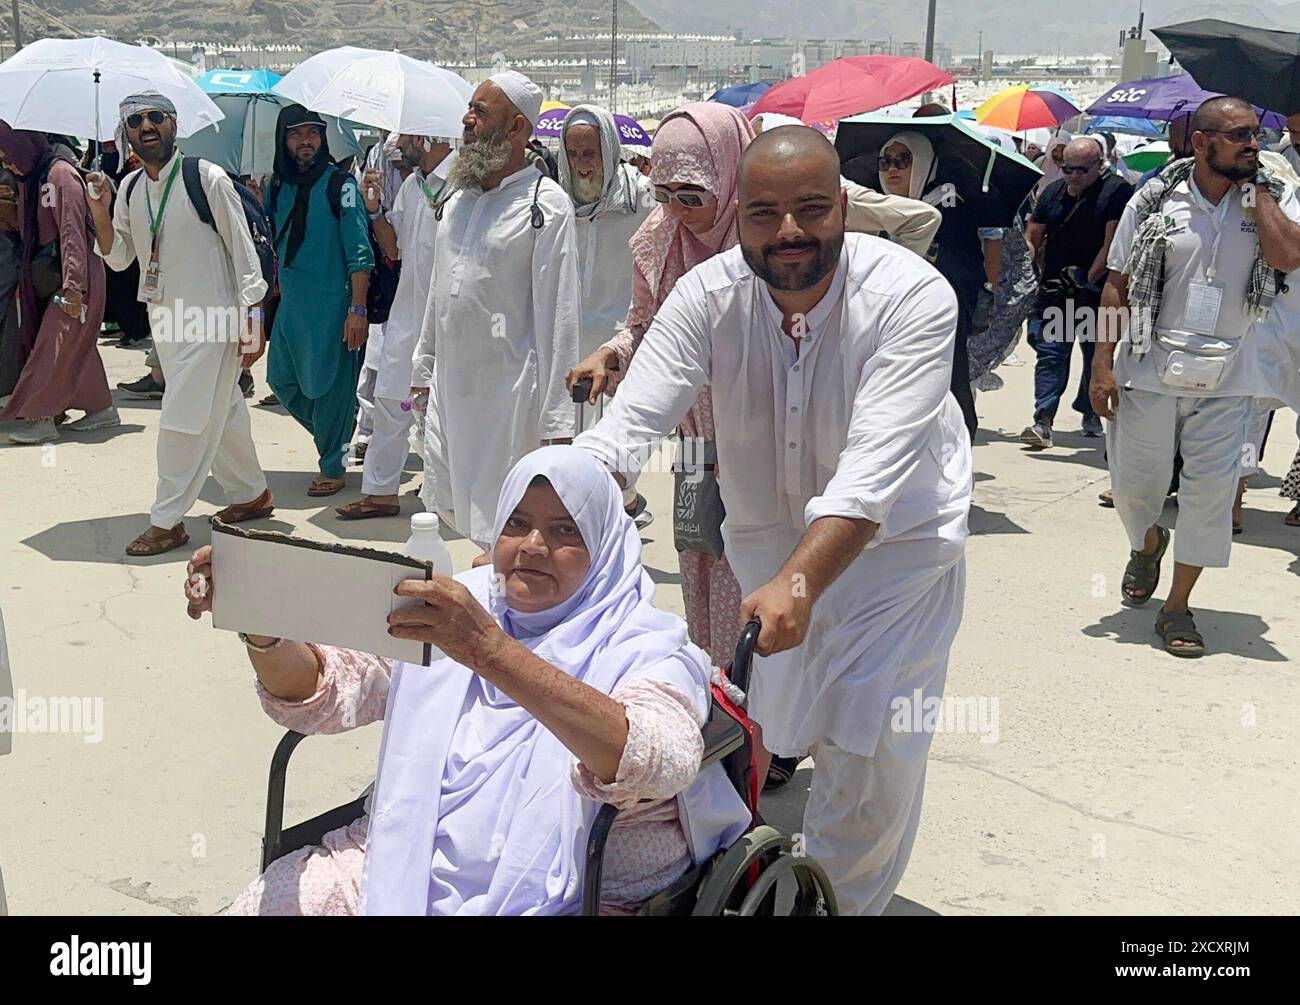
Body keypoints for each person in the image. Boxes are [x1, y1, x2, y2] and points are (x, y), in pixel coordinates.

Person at [575, 126, 971, 915]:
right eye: (764, 213)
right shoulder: (707, 295)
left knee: (869, 741)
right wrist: (553, 511)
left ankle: (836, 904)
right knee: (776, 727)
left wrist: (803, 577)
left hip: (896, 553)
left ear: (844, 208)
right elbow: (630, 425)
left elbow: (872, 472)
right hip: (765, 548)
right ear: (739, 214)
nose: (788, 231)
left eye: (811, 209)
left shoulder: (913, 296)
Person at [184, 446, 750, 915]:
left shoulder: (648, 644)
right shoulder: (463, 606)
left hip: (581, 887)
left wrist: (488, 651)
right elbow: (327, 695)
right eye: (518, 524)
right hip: (411, 855)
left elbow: (662, 761)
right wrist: (263, 631)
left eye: (564, 531)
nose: (532, 545)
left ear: (604, 550)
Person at [1091, 96, 1300, 657]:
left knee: (1208, 498)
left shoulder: (1269, 197)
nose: (1252, 144)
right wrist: (1101, 363)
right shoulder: (1155, 198)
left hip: (1230, 376)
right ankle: (1149, 540)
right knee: (1136, 490)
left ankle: (1178, 608)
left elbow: (1287, 258)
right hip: (1150, 368)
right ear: (1202, 143)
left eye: (1255, 134)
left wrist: (1258, 201)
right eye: (1238, 136)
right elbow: (1117, 283)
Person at [568, 103, 753, 674]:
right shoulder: (659, 239)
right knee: (700, 563)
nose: (676, 210)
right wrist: (611, 353)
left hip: (762, 441)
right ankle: (725, 703)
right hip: (694, 442)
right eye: (664, 193)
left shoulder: (766, 239)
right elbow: (644, 326)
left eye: (692, 196)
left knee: (757, 577)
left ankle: (777, 725)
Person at [87, 93, 274, 557]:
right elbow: (118, 256)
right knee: (223, 410)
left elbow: (244, 252)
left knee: (180, 419)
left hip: (214, 321)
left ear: (174, 125)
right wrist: (99, 209)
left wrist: (253, 317)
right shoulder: (130, 187)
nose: (146, 126)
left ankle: (167, 520)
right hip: (167, 323)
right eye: (135, 120)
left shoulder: (205, 178)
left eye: (156, 117)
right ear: (125, 133)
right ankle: (251, 494)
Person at [411, 70, 580, 549]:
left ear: (517, 129)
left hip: (509, 401)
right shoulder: (458, 199)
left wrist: (558, 422)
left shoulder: (544, 206)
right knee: (450, 511)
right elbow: (440, 292)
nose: (466, 120)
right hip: (450, 390)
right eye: (470, 108)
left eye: (480, 112)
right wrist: (422, 366)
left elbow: (559, 317)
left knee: (506, 524)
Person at [335, 135, 452, 520]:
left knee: (446, 413)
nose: (398, 143)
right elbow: (393, 249)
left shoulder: (469, 188)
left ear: (429, 137)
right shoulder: (413, 188)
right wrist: (373, 211)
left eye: (406, 135)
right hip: (406, 318)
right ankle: (381, 492)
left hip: (450, 325)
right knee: (389, 401)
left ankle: (448, 496)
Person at [265, 104, 374, 497]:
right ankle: (339, 432)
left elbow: (360, 252)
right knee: (281, 381)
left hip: (335, 308)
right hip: (293, 307)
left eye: (313, 132)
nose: (306, 141)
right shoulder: (275, 187)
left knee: (332, 388)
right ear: (283, 140)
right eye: (296, 134)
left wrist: (357, 310)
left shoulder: (340, 186)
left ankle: (333, 461)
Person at [879, 129, 1002, 440]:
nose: (892, 169)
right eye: (886, 161)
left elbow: (964, 265)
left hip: (939, 312)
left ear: (922, 163)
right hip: (892, 318)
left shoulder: (947, 205)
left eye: (903, 160)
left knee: (948, 381)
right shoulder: (881, 209)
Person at [0, 124, 117, 444]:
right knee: (75, 348)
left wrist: (74, 288)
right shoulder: (31, 179)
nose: (6, 162)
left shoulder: (60, 175)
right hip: (52, 276)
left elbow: (72, 234)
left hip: (75, 279)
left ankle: (40, 416)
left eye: (7, 153)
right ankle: (101, 409)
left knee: (53, 345)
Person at [1020, 137, 1133, 448]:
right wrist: (1030, 268)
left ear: (1099, 164)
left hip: (1096, 292)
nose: (1072, 176)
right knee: (1051, 354)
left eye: (1081, 170)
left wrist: (1089, 277)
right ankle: (1043, 419)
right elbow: (1034, 235)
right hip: (1056, 290)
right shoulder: (1053, 192)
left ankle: (1090, 409)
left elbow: (1113, 243)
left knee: (1094, 354)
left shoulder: (1116, 191)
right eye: (1066, 169)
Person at [349, 131, 408, 463]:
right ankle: (369, 432)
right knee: (375, 360)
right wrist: (370, 205)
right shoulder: (373, 156)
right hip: (384, 272)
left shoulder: (425, 168)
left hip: (417, 273)